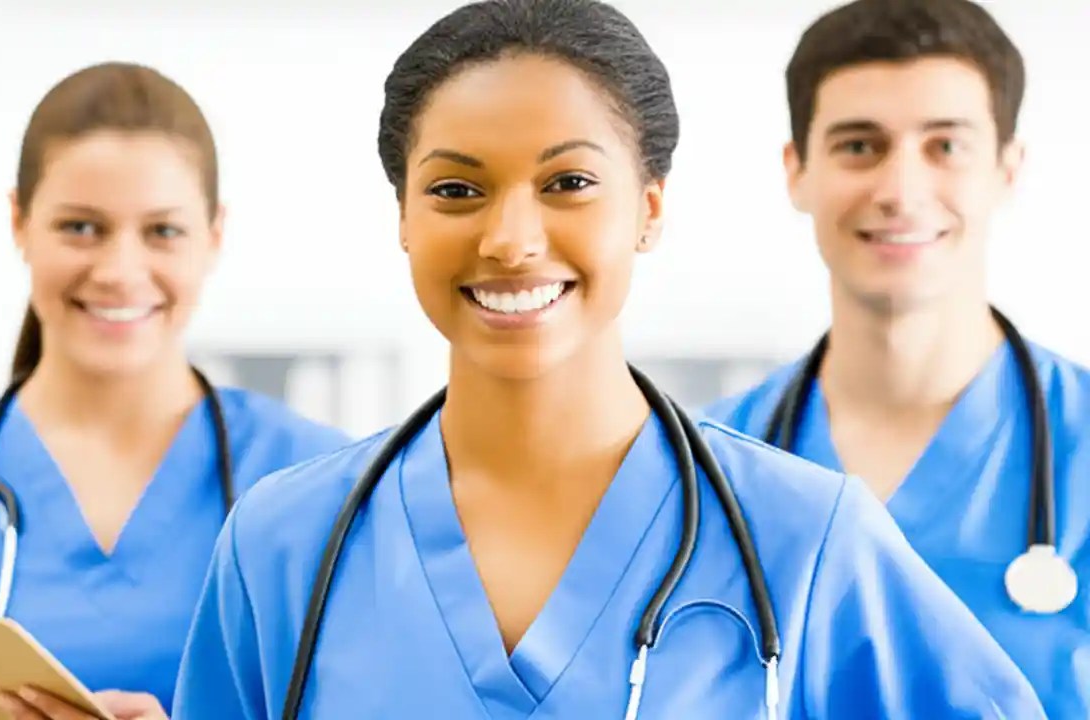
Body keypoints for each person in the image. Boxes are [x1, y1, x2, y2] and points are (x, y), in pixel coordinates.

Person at [167, 1, 1047, 717]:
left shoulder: (806, 538)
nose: (510, 239)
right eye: (456, 190)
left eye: (569, 184)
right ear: (403, 217)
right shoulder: (282, 547)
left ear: (649, 209)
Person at [0, 62, 350, 720]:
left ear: (214, 236)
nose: (121, 271)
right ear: (19, 222)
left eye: (163, 231)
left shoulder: (321, 484)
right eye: (81, 228)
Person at [703, 0, 1090, 716]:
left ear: (1008, 170)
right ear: (797, 171)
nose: (900, 191)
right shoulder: (701, 472)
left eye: (945, 147)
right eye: (859, 146)